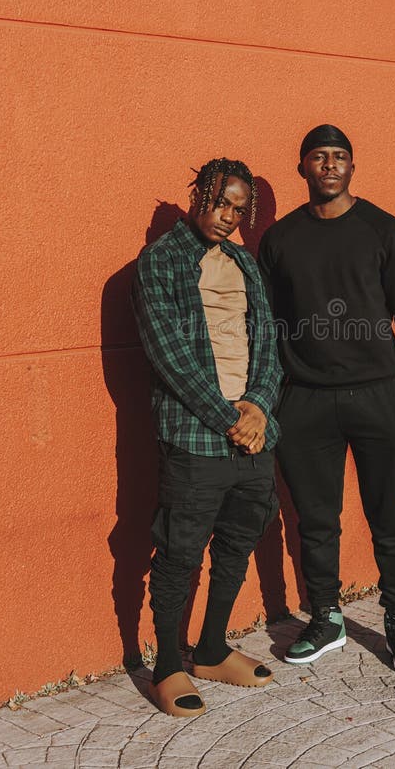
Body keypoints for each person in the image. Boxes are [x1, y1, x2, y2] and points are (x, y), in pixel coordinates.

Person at [258, 125, 395, 674]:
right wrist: (278, 397)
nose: (329, 165)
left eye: (339, 157)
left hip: (378, 397)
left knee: (389, 519)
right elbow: (267, 324)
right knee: (315, 520)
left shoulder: (385, 230)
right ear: (302, 169)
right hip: (305, 400)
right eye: (318, 157)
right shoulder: (280, 239)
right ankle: (326, 618)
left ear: (352, 166)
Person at [132, 158, 282, 717]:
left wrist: (261, 408)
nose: (228, 217)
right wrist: (231, 418)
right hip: (196, 437)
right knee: (178, 553)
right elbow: (169, 356)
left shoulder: (245, 263)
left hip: (252, 436)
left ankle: (213, 647)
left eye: (240, 209)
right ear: (199, 194)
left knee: (238, 542)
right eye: (221, 202)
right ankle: (169, 663)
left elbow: (268, 340)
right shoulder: (160, 262)